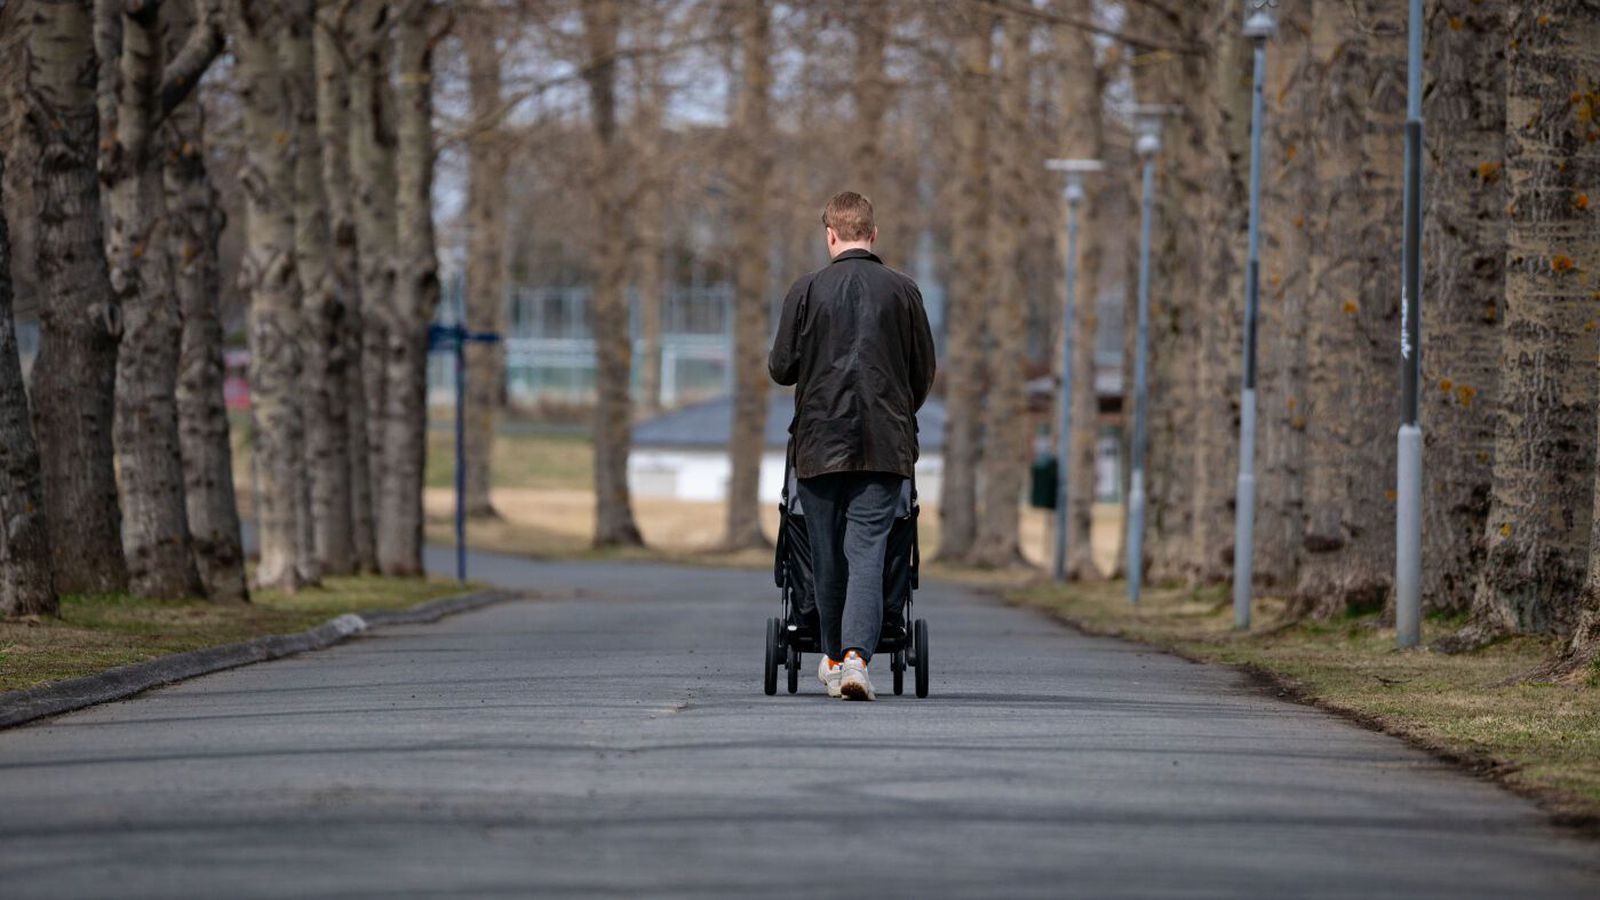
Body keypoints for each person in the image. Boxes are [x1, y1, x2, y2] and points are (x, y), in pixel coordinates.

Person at [768, 191, 937, 701]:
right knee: (868, 550)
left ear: (830, 235)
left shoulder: (808, 290)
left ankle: (835, 654)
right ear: (874, 234)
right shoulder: (904, 291)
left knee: (825, 554)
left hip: (819, 445)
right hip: (886, 445)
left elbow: (781, 368)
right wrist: (898, 407)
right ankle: (858, 660)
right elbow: (922, 372)